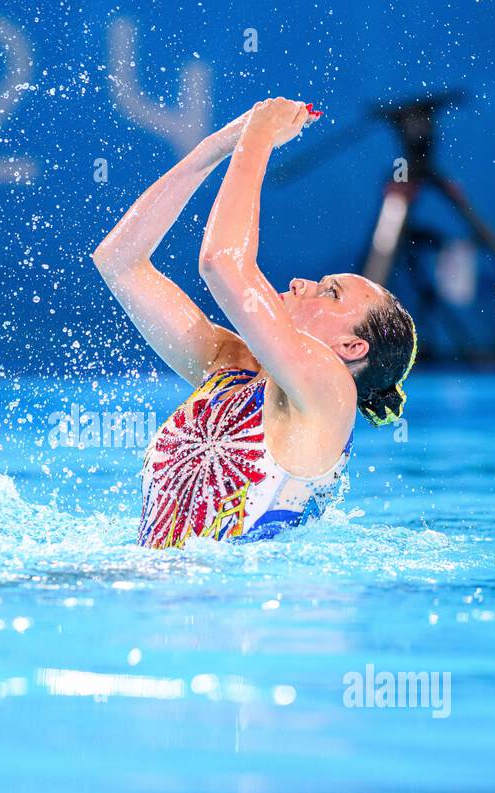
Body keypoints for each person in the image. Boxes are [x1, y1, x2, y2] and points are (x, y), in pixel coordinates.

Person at [93, 98, 417, 548]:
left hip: (232, 611)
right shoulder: (231, 369)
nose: (304, 283)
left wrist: (260, 137)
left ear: (351, 347)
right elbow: (120, 262)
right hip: (157, 592)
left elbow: (222, 264)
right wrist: (218, 145)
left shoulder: (329, 393)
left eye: (331, 293)